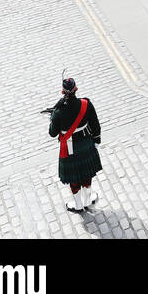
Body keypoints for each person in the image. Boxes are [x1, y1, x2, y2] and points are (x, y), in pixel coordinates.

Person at [47, 76, 102, 213]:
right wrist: (96, 141)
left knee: (74, 177)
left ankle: (78, 205)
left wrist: (52, 119)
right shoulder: (86, 104)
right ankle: (88, 201)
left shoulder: (58, 112)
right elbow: (95, 125)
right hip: (86, 143)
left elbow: (52, 133)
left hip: (69, 146)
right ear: (76, 89)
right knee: (87, 173)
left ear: (62, 92)